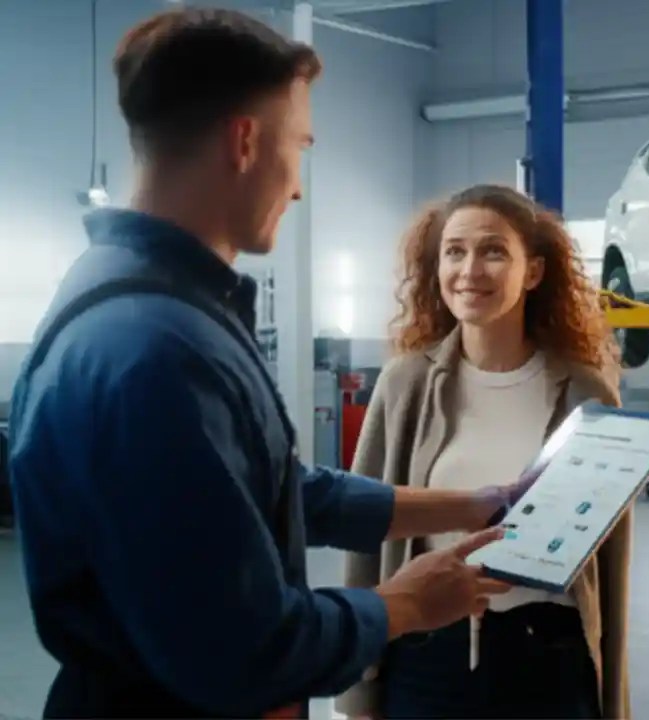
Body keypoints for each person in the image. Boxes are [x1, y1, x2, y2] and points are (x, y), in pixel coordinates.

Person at [5, 8, 516, 718]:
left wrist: (472, 504)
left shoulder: (151, 304)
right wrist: (402, 605)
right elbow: (243, 647)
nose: (299, 184)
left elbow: (276, 490)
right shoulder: (155, 350)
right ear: (245, 141)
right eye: (299, 145)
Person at [336, 184, 632, 720]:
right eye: (455, 251)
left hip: (551, 661)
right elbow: (366, 539)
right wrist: (358, 690)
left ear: (534, 272)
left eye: (493, 251)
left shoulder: (586, 393)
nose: (470, 270)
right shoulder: (405, 384)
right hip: (426, 660)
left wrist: (615, 704)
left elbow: (609, 569)